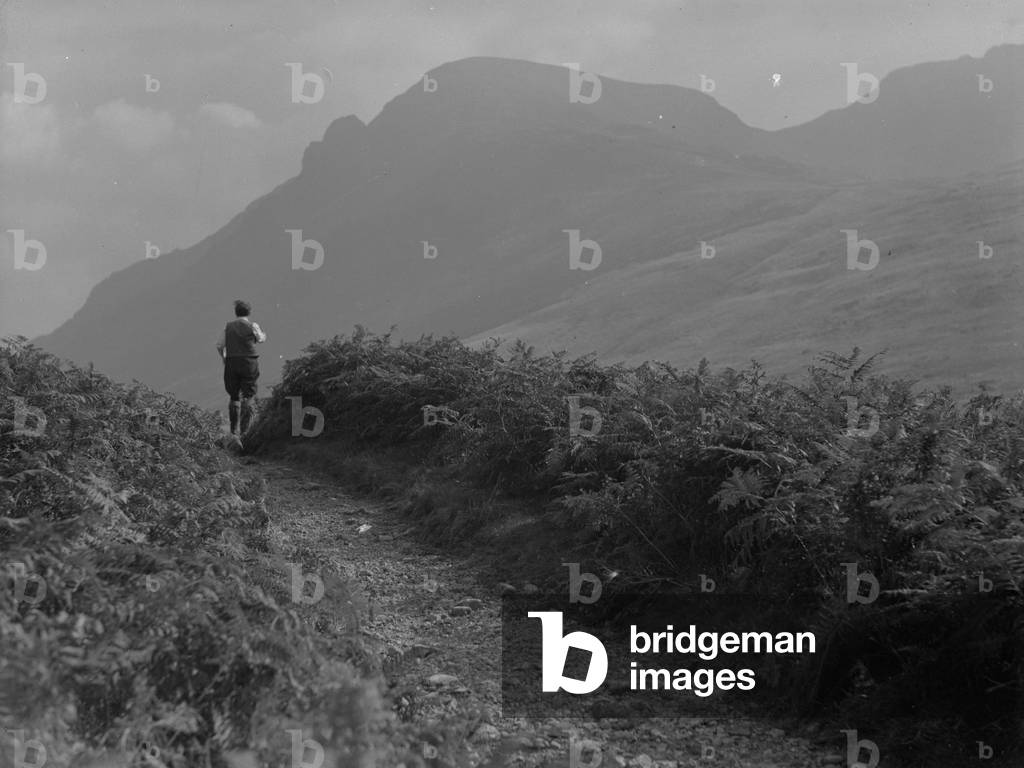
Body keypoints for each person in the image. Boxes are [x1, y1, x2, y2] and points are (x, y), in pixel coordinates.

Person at [216, 300, 267, 435]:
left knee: (234, 396)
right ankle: (246, 430)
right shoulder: (252, 325)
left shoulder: (228, 327)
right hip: (249, 362)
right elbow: (261, 339)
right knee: (249, 394)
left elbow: (219, 345)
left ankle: (234, 431)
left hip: (232, 362)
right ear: (249, 312)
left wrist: (224, 358)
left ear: (235, 312)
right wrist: (263, 335)